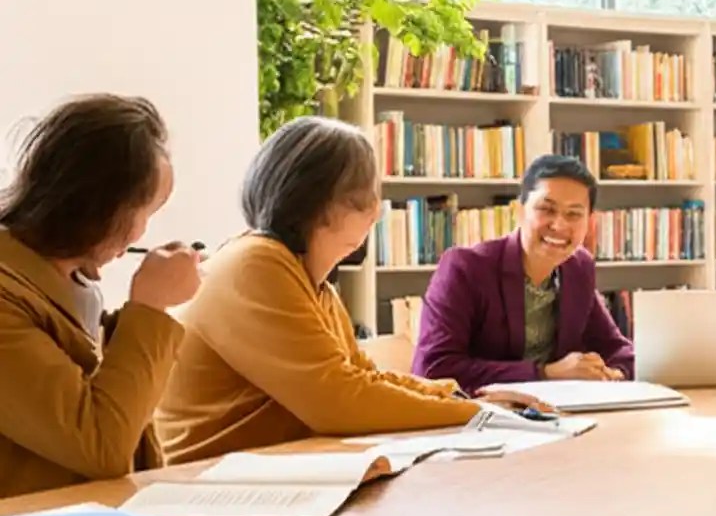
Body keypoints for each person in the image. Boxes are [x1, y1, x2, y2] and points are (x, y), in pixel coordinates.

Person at [153, 116, 542, 466]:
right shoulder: (256, 262)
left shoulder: (309, 279)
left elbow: (360, 375)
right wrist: (477, 415)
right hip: (207, 485)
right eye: (369, 195)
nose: (377, 209)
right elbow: (337, 400)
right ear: (337, 205)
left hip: (266, 472)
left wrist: (456, 397)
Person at [0, 93, 201, 516]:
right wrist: (150, 311)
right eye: (145, 210)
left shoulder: (68, 281)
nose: (142, 231)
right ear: (99, 203)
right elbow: (99, 441)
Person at [413, 154, 634, 394]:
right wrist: (545, 373)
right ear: (519, 211)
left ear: (589, 221)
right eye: (546, 209)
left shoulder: (578, 268)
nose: (559, 225)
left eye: (573, 214)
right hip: (476, 417)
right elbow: (433, 369)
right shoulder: (465, 268)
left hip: (554, 414)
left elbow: (617, 350)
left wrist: (613, 374)